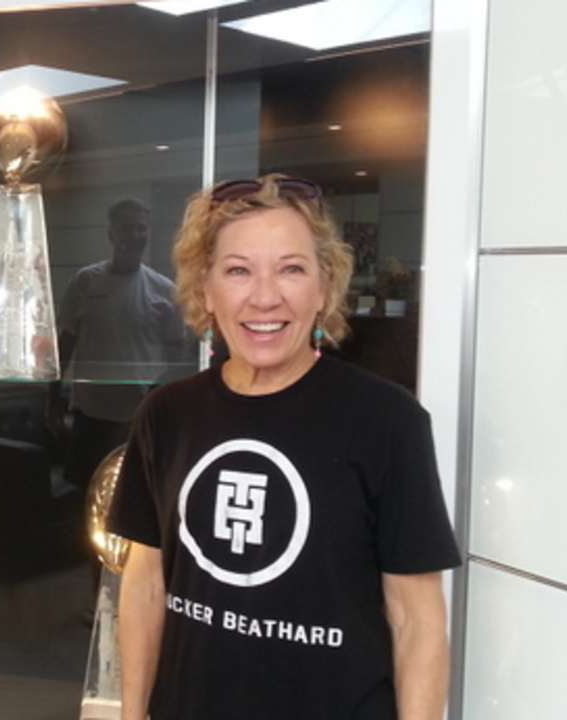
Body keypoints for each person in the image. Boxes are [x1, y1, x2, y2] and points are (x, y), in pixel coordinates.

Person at [108, 174, 460, 720]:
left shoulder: (386, 421)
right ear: (205, 289)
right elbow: (145, 587)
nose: (265, 297)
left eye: (291, 269)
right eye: (238, 270)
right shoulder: (167, 415)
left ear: (324, 288)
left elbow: (417, 620)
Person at [55, 198, 194, 490]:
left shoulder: (164, 290)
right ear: (111, 234)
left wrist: (162, 399)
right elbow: (65, 343)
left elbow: (177, 354)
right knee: (81, 492)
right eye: (127, 228)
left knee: (133, 493)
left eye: (141, 228)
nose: (135, 235)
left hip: (138, 417)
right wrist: (52, 398)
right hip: (90, 413)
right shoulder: (85, 282)